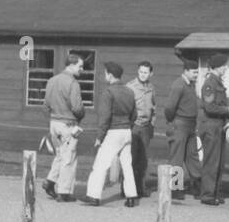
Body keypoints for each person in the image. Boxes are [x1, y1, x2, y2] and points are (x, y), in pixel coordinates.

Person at [82, 61, 138, 206]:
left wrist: (99, 137)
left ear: (110, 75)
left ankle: (93, 196)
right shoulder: (130, 91)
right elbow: (134, 114)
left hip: (113, 131)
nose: (104, 75)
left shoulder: (108, 92)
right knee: (127, 165)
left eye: (106, 73)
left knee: (100, 165)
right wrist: (128, 126)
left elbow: (104, 117)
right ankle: (131, 197)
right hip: (127, 131)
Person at [41, 52, 86, 202]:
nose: (82, 69)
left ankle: (50, 181)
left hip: (54, 123)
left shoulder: (52, 80)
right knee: (69, 158)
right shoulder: (73, 83)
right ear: (72, 65)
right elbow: (77, 107)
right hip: (68, 124)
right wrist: (80, 115)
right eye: (80, 66)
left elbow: (45, 105)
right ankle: (64, 192)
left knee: (60, 155)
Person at [162, 58, 201, 201]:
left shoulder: (191, 85)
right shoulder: (178, 85)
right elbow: (169, 108)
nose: (196, 74)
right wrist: (173, 122)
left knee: (193, 156)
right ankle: (176, 189)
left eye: (197, 72)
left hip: (191, 125)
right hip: (179, 124)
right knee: (177, 157)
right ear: (185, 71)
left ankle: (198, 185)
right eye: (194, 72)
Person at [197, 53, 229, 205]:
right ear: (218, 67)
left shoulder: (217, 82)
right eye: (224, 65)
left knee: (219, 162)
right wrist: (228, 110)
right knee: (211, 161)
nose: (226, 67)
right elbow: (210, 107)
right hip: (211, 126)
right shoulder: (210, 84)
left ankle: (214, 193)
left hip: (218, 126)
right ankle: (207, 195)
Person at [127, 61, 156, 199]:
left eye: (145, 72)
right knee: (131, 159)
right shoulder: (130, 87)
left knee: (143, 160)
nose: (143, 75)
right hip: (134, 126)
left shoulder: (151, 88)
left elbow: (154, 108)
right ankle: (128, 189)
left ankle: (140, 188)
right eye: (140, 72)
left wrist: (152, 124)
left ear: (151, 73)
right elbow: (127, 107)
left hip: (146, 127)